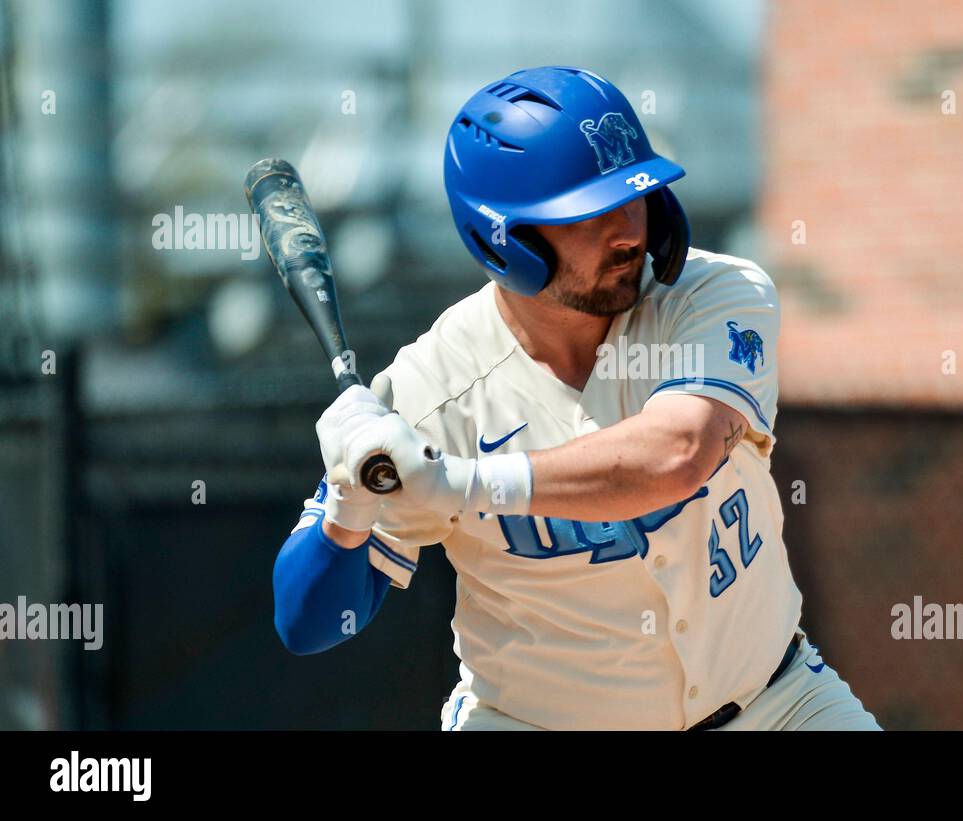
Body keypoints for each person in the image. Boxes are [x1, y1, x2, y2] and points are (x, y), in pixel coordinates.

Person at [271, 65, 881, 731]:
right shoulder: (430, 392)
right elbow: (307, 624)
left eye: (636, 194)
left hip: (776, 702)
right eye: (588, 213)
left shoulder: (715, 296)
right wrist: (349, 506)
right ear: (503, 237)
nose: (628, 230)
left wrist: (461, 482)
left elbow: (677, 453)